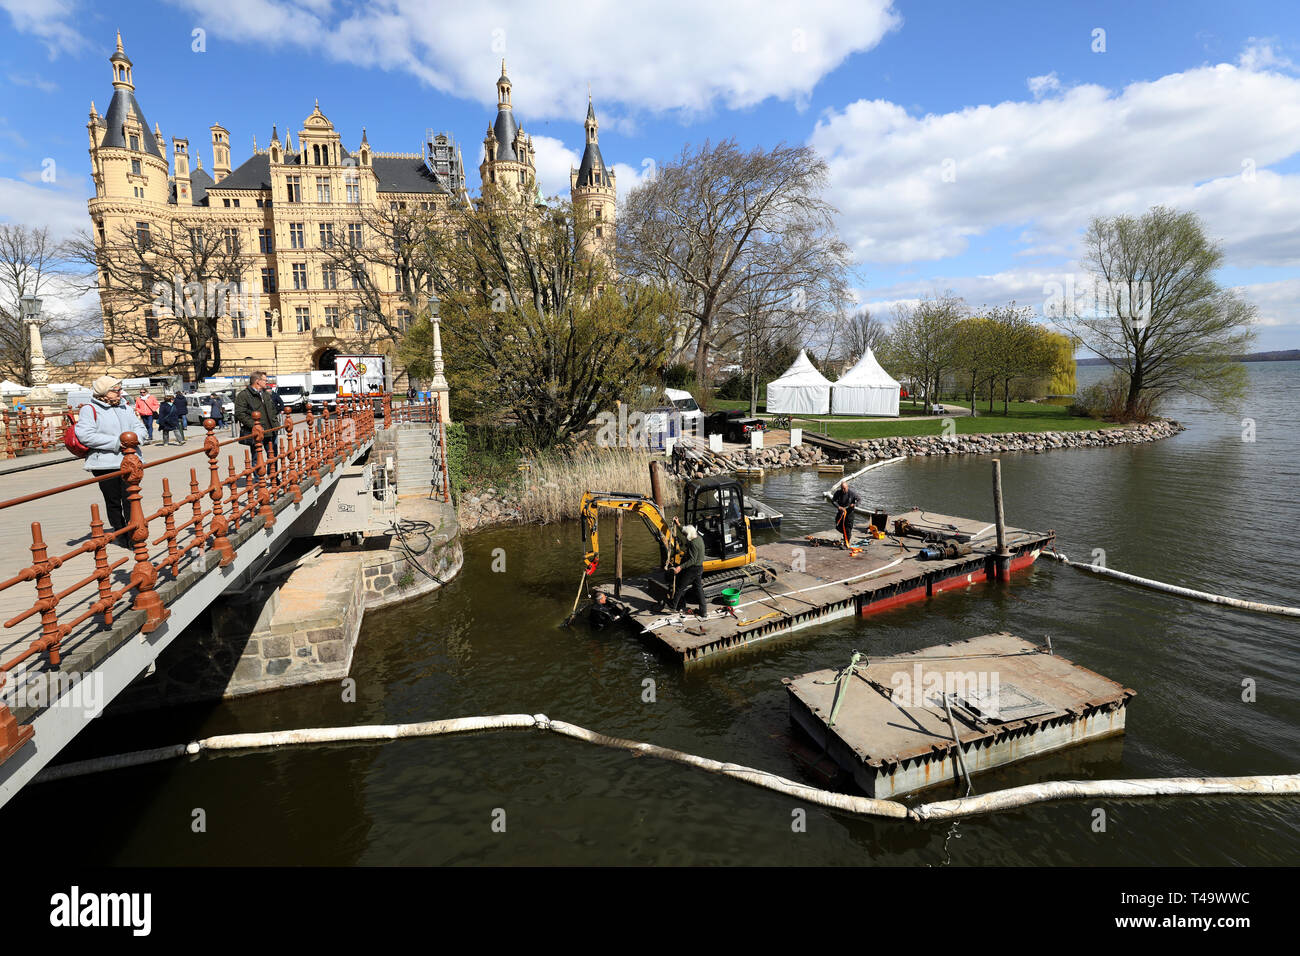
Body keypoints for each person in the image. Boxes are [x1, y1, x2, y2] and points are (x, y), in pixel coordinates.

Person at [75, 376, 146, 548]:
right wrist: (117, 442)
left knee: (131, 498)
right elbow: (85, 435)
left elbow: (139, 427)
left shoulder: (125, 407)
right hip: (105, 464)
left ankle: (133, 532)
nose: (120, 393)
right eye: (116, 390)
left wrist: (136, 439)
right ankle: (121, 533)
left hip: (130, 460)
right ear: (103, 392)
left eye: (120, 389)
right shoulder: (89, 409)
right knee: (113, 500)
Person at [234, 371, 278, 478]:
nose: (266, 382)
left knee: (273, 455)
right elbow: (240, 413)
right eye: (265, 380)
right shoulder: (244, 395)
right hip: (256, 431)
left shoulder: (265, 394)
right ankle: (259, 481)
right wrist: (254, 425)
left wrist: (275, 422)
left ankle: (273, 477)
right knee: (256, 457)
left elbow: (272, 409)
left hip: (271, 430)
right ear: (257, 381)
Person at [670, 524, 707, 617]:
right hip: (699, 568)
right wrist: (678, 524)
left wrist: (680, 567)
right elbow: (685, 530)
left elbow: (692, 560)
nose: (685, 537)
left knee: (680, 587)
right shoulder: (699, 538)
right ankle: (703, 611)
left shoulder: (693, 543)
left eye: (686, 535)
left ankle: (672, 607)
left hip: (693, 569)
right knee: (699, 589)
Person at [832, 479, 860, 548]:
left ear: (847, 487)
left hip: (849, 513)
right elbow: (833, 501)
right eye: (842, 489)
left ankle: (846, 542)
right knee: (838, 526)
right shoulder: (838, 493)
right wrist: (838, 507)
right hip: (841, 512)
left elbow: (859, 500)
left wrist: (854, 504)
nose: (843, 490)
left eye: (844, 488)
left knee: (848, 528)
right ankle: (846, 535)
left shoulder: (852, 493)